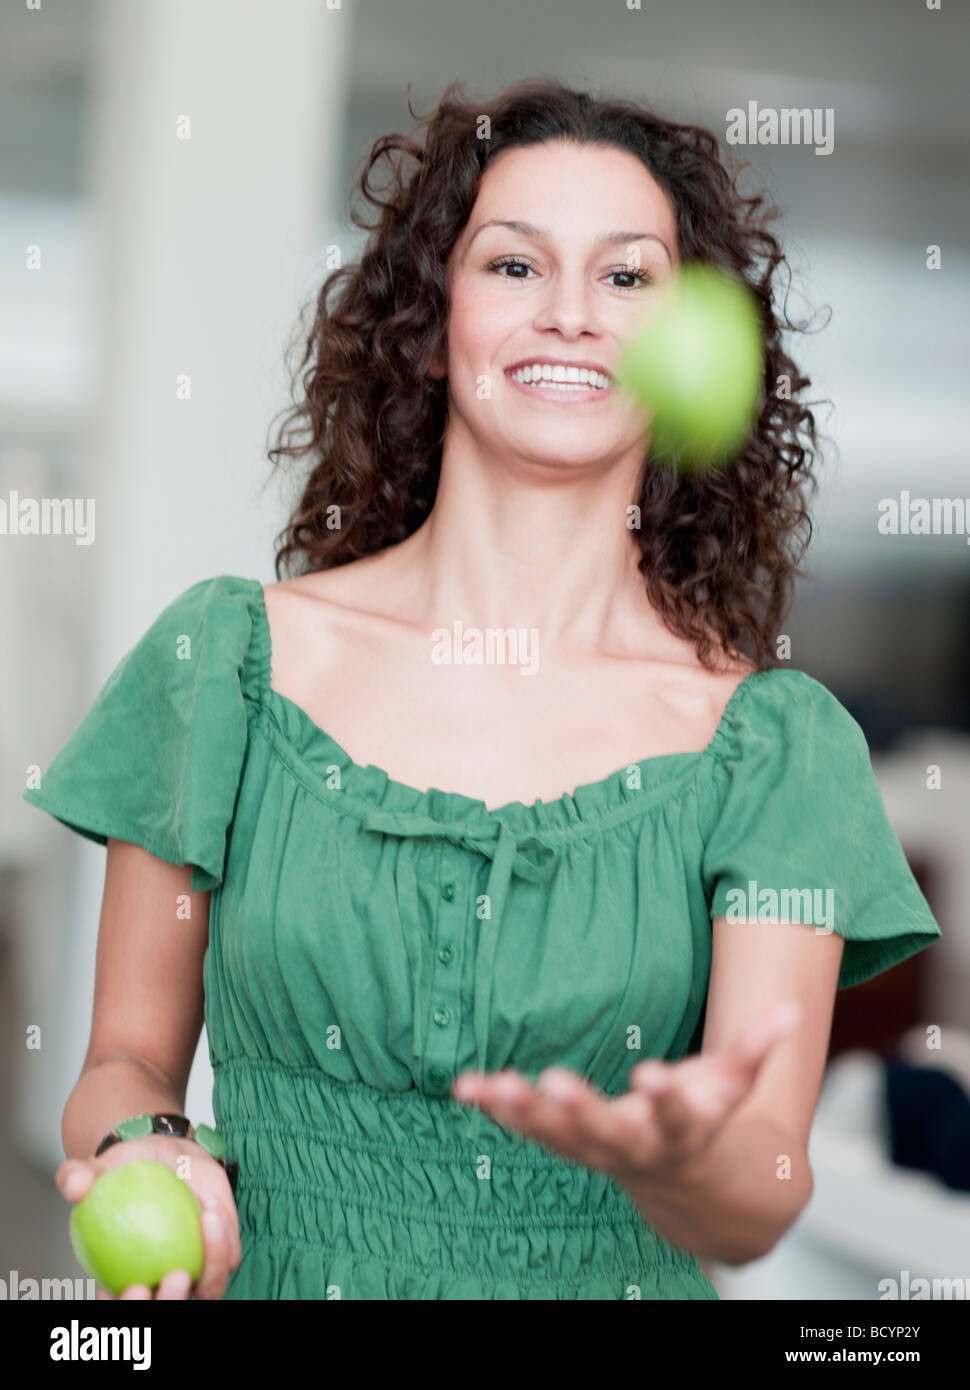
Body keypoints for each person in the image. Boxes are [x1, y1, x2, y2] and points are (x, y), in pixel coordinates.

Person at [25, 78, 941, 1301]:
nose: (569, 315)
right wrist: (146, 1142)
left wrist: (680, 1163)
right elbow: (123, 1060)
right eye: (514, 266)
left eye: (627, 280)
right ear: (428, 314)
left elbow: (760, 1183)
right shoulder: (227, 665)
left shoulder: (773, 748)